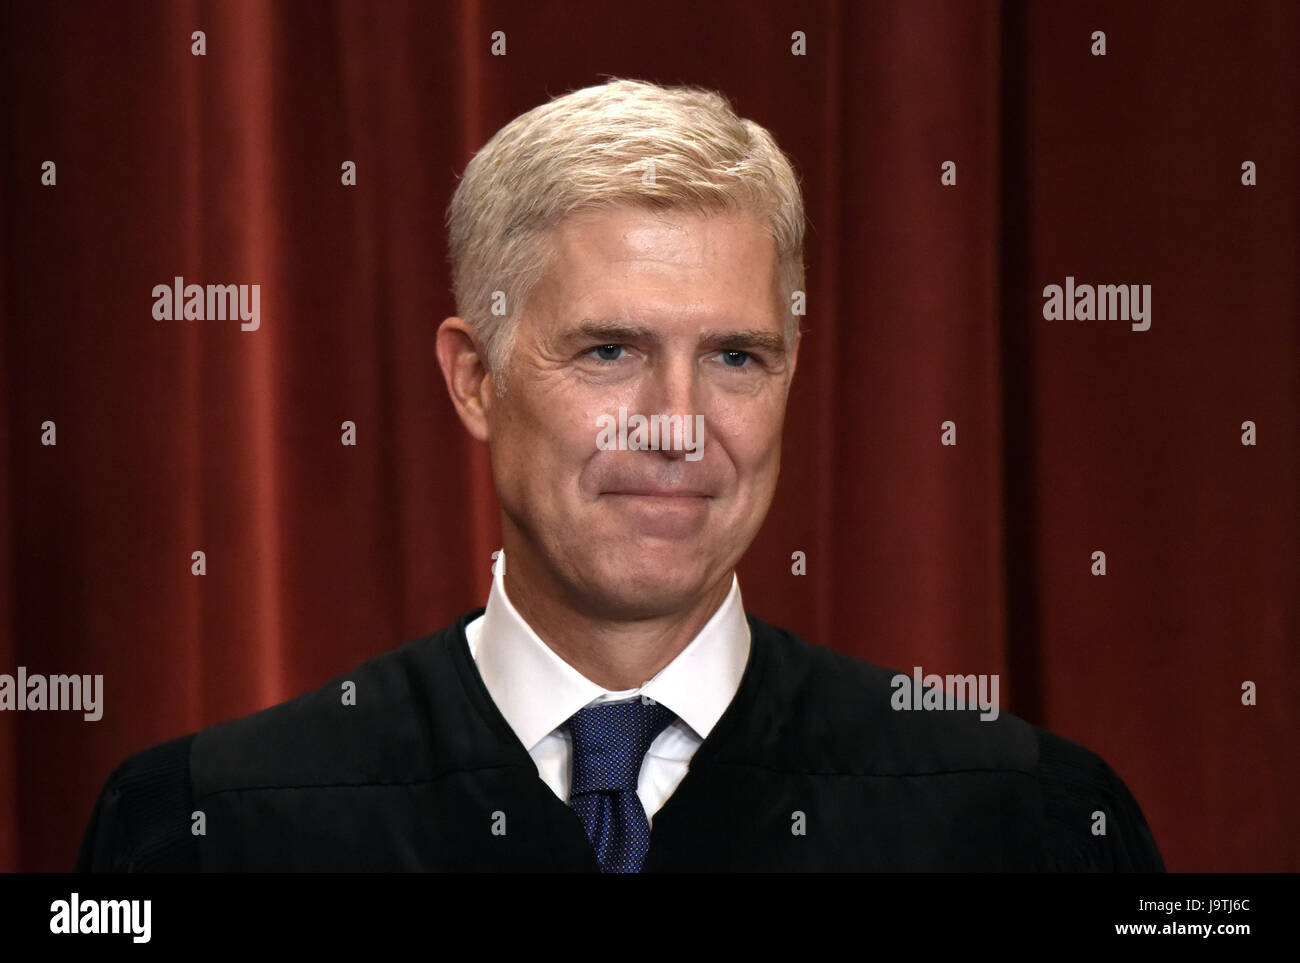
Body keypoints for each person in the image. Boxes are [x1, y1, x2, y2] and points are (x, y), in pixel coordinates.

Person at [78, 79, 1164, 872]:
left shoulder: (1033, 827)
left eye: (736, 358)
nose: (681, 427)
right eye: (609, 352)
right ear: (474, 379)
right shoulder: (206, 831)